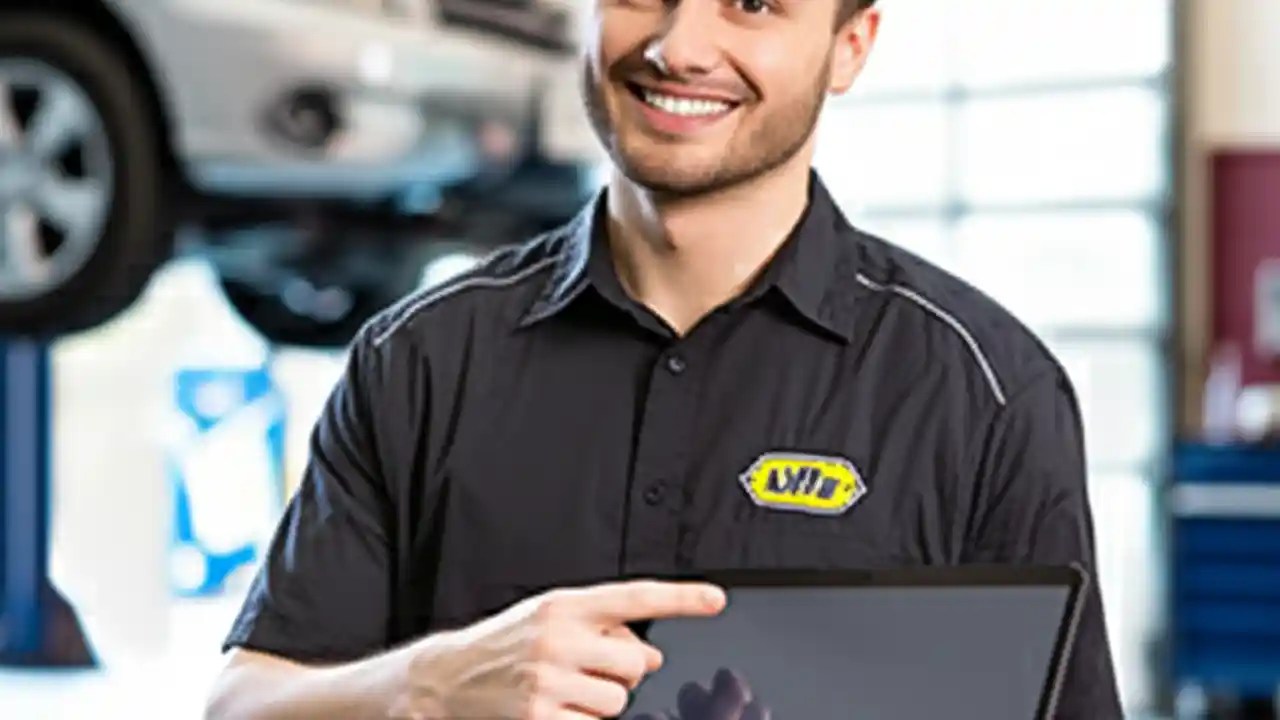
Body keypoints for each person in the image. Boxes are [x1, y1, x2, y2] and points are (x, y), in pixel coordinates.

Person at [205, 0, 1123, 717]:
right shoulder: (421, 361)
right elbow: (243, 704)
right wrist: (432, 688)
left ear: (850, 47)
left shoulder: (984, 391)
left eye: (752, 4)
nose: (678, 47)